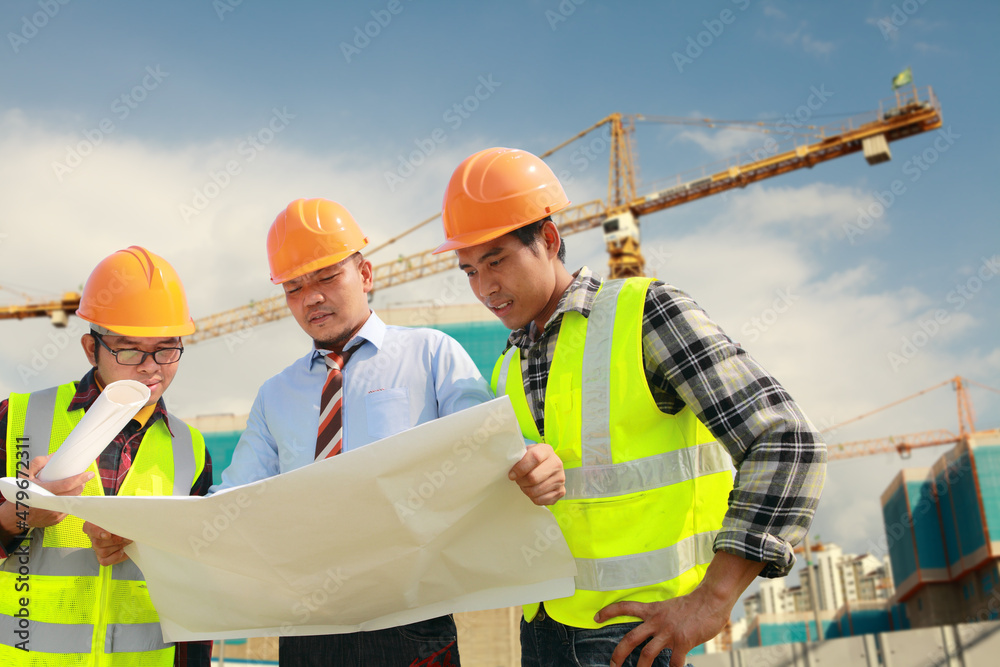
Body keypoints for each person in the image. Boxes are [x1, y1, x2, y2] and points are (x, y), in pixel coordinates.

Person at [434, 147, 828, 667]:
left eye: (496, 260)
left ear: (548, 240)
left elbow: (787, 440)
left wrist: (712, 601)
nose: (485, 287)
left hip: (637, 638)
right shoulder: (506, 367)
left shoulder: (644, 314)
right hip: (543, 634)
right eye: (468, 271)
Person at [212, 198, 565, 666]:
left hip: (412, 620)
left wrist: (534, 464)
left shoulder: (431, 354)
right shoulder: (274, 394)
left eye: (326, 276)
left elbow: (492, 452)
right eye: (294, 287)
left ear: (366, 275)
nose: (311, 297)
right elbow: (233, 500)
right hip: (307, 627)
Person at [0, 245, 213, 666]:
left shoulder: (192, 450)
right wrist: (16, 515)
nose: (151, 367)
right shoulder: (16, 418)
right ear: (89, 347)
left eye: (167, 349)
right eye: (129, 349)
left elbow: (198, 589)